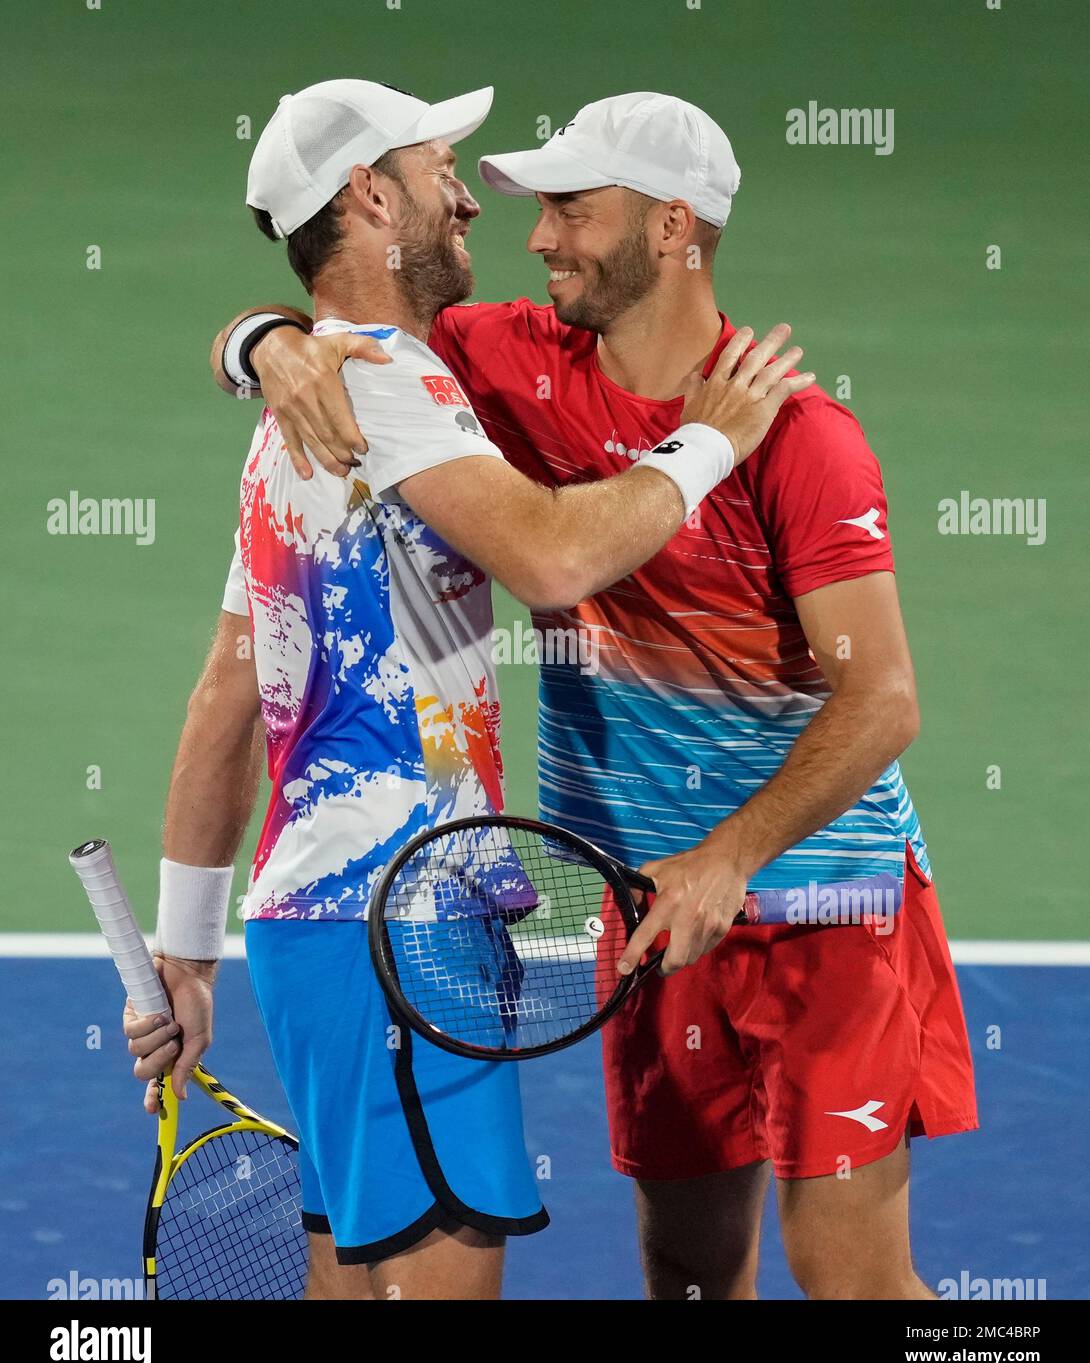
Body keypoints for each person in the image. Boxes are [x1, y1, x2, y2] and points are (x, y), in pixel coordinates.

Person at [211, 90, 979, 1301]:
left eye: (571, 206)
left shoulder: (800, 437)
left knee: (855, 1287)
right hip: (649, 911)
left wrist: (730, 855)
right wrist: (265, 342)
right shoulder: (501, 363)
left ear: (674, 227)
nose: (537, 235)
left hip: (816, 899)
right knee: (683, 1274)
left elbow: (881, 700)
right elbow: (346, 315)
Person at [123, 79, 810, 1301]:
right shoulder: (376, 385)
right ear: (369, 196)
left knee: (357, 1287)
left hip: (319, 924)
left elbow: (223, 702)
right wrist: (709, 440)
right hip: (399, 927)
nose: (468, 200)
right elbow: (550, 551)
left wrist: (188, 952)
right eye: (440, 165)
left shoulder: (310, 405)